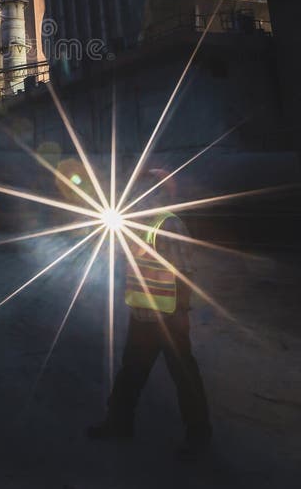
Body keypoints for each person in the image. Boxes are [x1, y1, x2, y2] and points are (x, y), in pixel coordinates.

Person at [87, 169, 212, 458]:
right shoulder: (136, 223)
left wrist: (181, 313)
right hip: (142, 316)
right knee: (131, 372)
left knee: (185, 378)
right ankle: (119, 424)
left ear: (156, 193)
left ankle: (199, 438)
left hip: (168, 319)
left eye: (142, 191)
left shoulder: (168, 224)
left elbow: (184, 273)